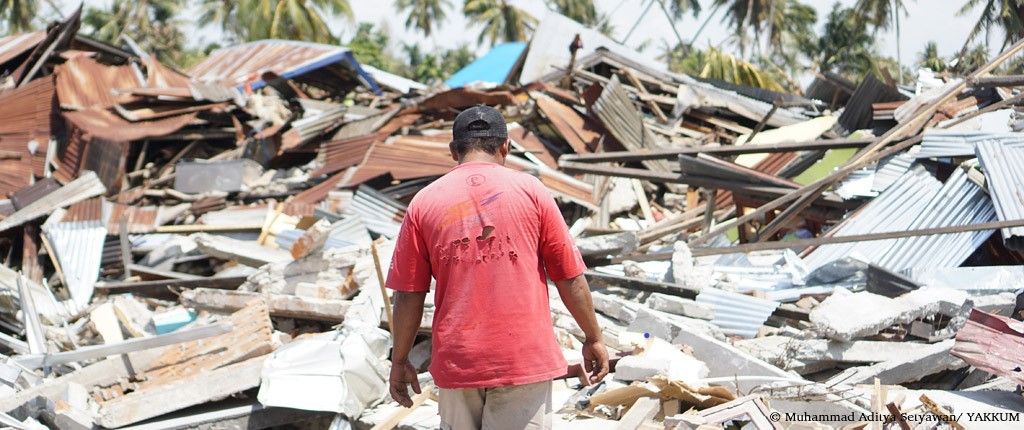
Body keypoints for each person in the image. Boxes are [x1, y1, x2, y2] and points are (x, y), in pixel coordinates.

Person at [385, 105, 609, 429]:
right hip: (522, 358)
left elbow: (408, 295)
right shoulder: (533, 192)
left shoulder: (423, 202)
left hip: (458, 361)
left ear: (453, 151)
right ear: (506, 147)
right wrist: (593, 337)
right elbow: (569, 277)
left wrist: (400, 359)